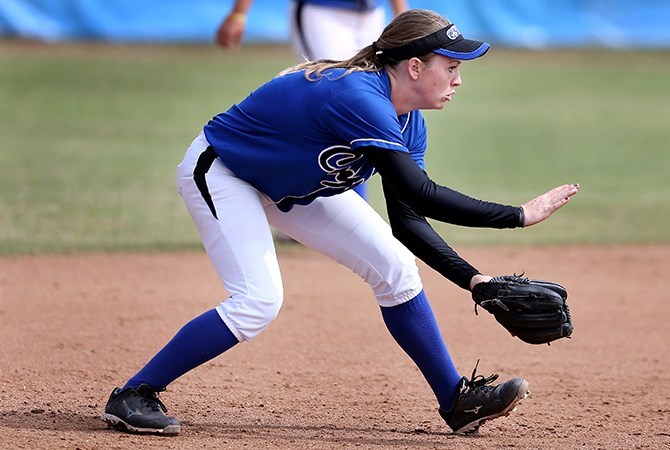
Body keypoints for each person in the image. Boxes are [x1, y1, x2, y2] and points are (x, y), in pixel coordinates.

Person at [102, 9, 580, 437]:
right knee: (258, 301)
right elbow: (422, 193)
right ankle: (134, 394)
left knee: (397, 268)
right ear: (415, 67)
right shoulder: (359, 95)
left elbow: (408, 220)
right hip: (227, 170)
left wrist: (476, 282)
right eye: (450, 67)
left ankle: (456, 401)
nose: (458, 79)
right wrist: (517, 216)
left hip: (296, 186)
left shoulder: (408, 119)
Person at [216, 0, 409, 201]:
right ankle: (336, 214)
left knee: (375, 100)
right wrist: (239, 13)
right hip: (321, 11)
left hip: (371, 14)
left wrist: (400, 15)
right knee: (345, 102)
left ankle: (306, 211)